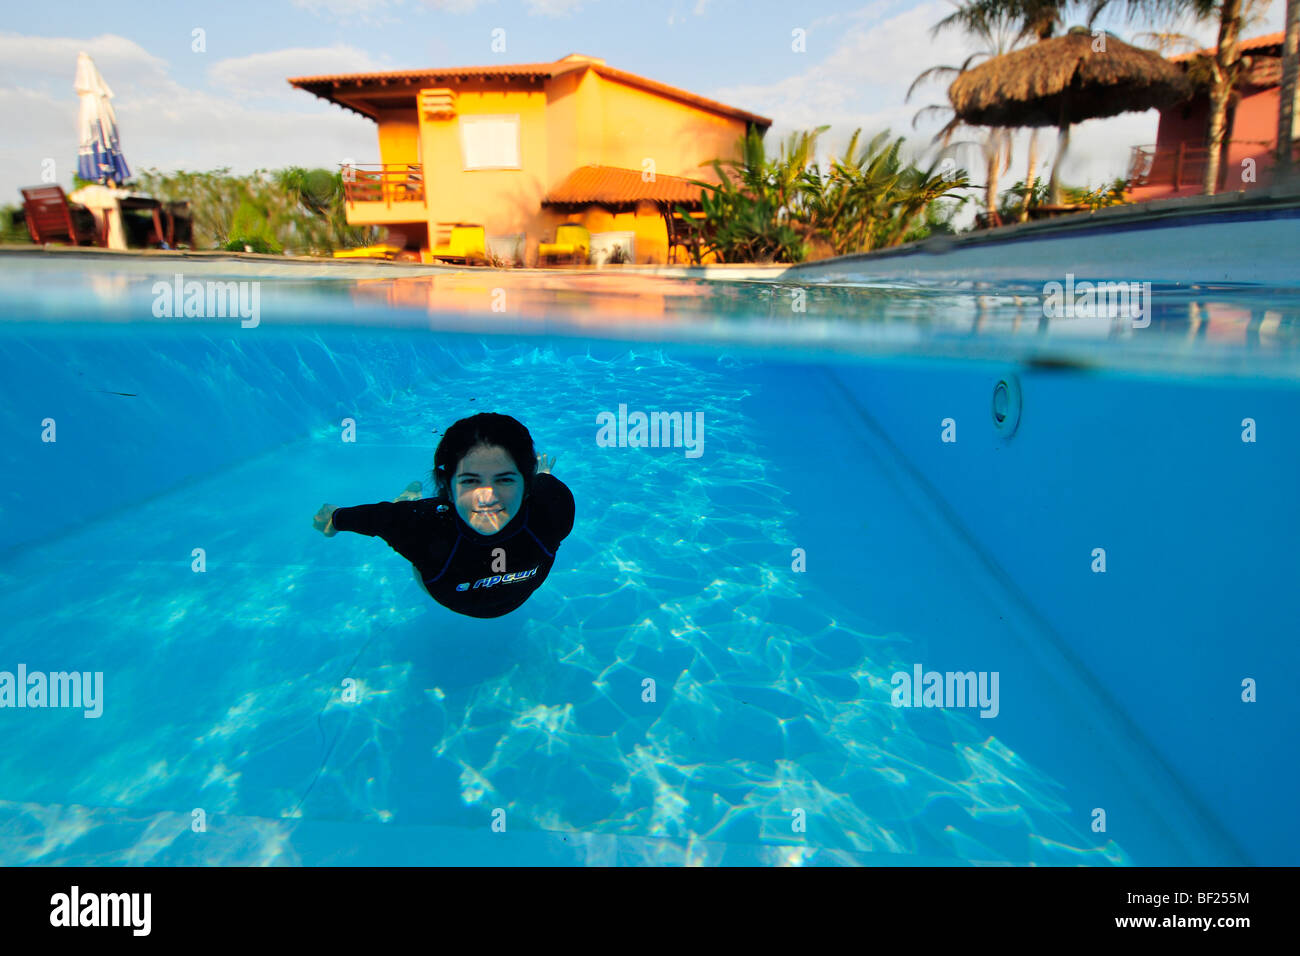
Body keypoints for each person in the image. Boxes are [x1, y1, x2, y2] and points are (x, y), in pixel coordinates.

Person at [313, 413, 575, 619]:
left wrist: (545, 477)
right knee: (407, 517)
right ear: (447, 487)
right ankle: (408, 499)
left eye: (504, 480)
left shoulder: (553, 506)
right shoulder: (420, 526)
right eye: (470, 481)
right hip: (444, 590)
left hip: (503, 597)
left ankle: (410, 498)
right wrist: (335, 518)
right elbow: (370, 518)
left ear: (527, 485)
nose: (487, 497)